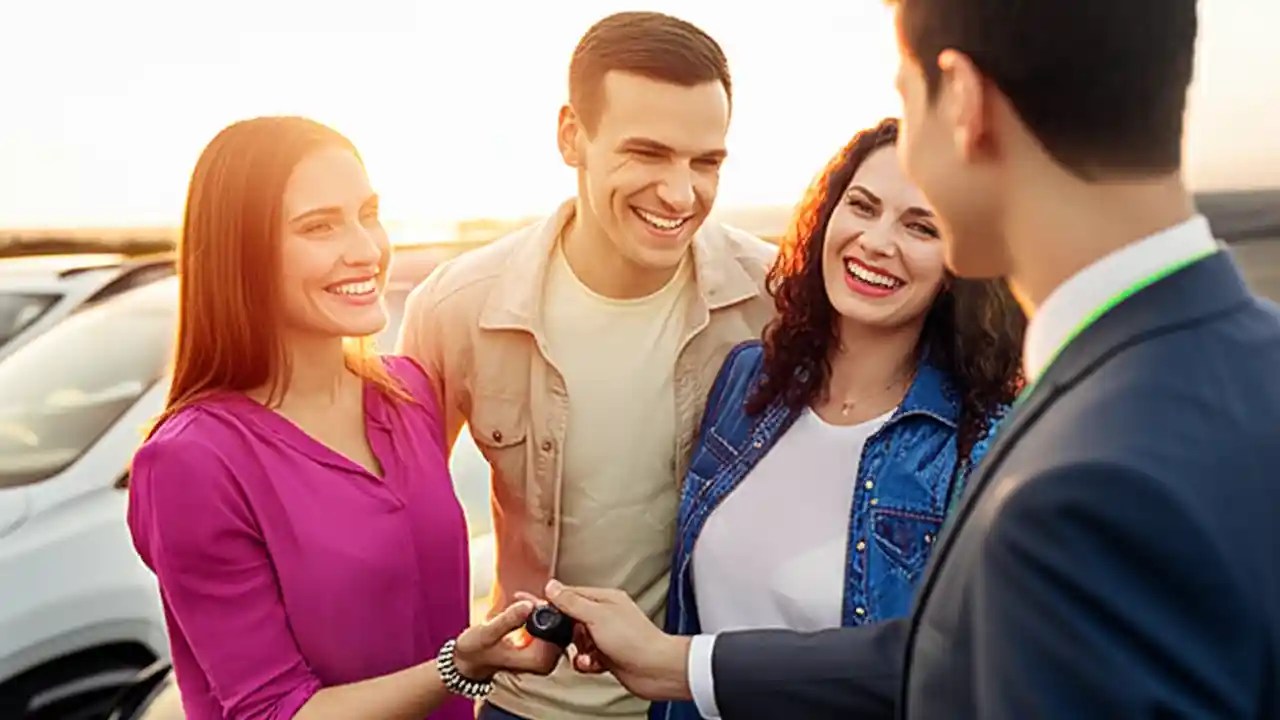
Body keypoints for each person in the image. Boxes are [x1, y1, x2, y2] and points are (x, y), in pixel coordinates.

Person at [541, 0, 1280, 717]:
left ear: (962, 101)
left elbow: (946, 669)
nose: (881, 238)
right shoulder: (1239, 373)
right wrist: (683, 666)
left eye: (908, 97)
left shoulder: (1078, 477)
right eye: (861, 207)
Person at [395, 11, 777, 720]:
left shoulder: (776, 301)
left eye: (706, 162)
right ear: (573, 135)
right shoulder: (456, 309)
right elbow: (400, 533)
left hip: (707, 700)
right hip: (524, 704)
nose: (680, 193)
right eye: (648, 153)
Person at [126, 116, 559, 720]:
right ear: (240, 252)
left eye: (368, 213)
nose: (366, 249)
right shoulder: (191, 462)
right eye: (319, 226)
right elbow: (271, 711)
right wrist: (457, 669)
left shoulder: (408, 394)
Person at [653, 117, 1024, 720]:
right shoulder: (749, 380)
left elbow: (959, 666)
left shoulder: (984, 443)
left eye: (922, 226)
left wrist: (672, 664)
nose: (877, 241)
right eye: (863, 206)